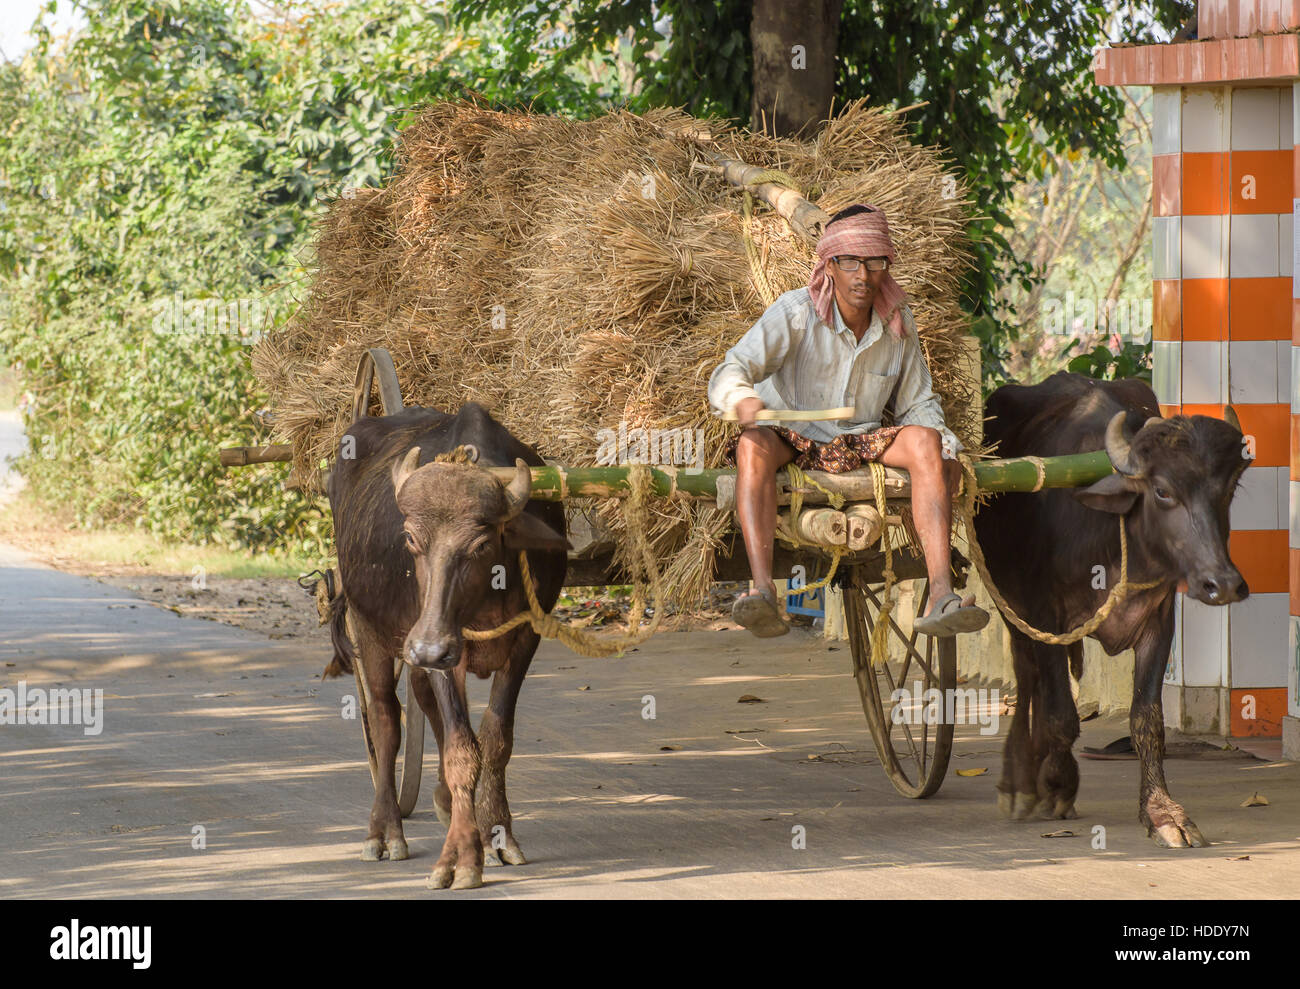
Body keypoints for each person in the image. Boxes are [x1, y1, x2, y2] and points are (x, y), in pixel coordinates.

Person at [708, 204, 988, 639]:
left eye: (874, 263)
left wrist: (948, 449)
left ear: (885, 267)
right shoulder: (795, 312)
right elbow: (730, 370)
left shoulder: (898, 321)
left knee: (927, 442)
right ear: (830, 266)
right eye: (851, 263)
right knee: (751, 446)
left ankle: (940, 595)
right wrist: (743, 399)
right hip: (795, 438)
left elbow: (918, 403)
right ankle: (763, 591)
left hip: (862, 440)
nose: (863, 276)